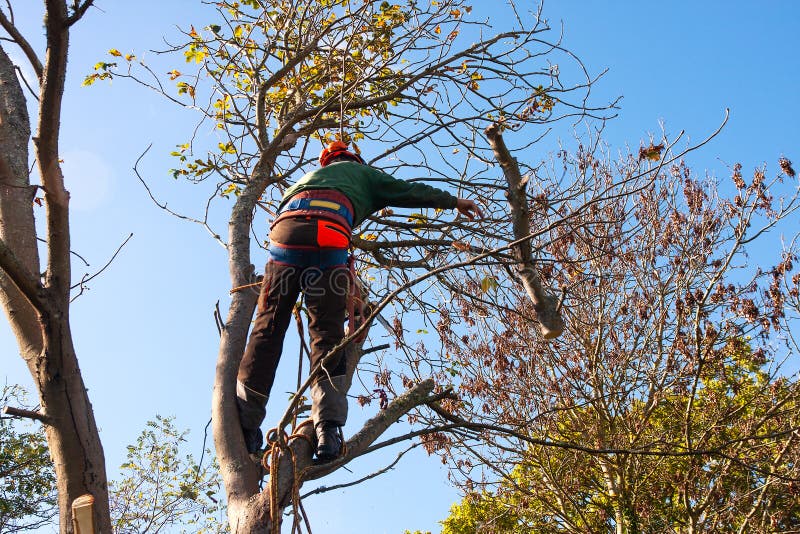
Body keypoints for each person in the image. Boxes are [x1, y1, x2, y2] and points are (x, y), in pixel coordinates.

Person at [236, 140, 483, 461]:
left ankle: (244, 422)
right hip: (329, 237)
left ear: (326, 162)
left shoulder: (305, 179)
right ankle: (327, 429)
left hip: (283, 239)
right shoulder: (365, 174)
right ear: (355, 160)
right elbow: (409, 191)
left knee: (267, 330)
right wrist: (453, 202)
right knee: (326, 335)